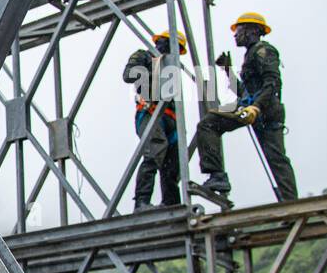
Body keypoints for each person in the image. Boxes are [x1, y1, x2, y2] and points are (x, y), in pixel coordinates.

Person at [196, 12, 298, 201]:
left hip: (265, 110)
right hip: (257, 109)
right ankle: (290, 202)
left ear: (252, 30)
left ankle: (290, 203)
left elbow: (273, 82)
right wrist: (228, 71)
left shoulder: (263, 50)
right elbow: (245, 93)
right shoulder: (251, 54)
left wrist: (256, 107)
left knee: (208, 125)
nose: (235, 35)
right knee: (275, 158)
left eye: (239, 30)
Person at [122, 30, 184, 210]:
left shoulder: (172, 67)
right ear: (161, 42)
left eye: (179, 50)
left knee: (172, 164)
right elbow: (128, 75)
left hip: (170, 118)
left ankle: (171, 203)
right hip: (150, 111)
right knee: (154, 152)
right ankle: (141, 202)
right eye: (175, 47)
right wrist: (151, 70)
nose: (176, 53)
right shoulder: (143, 55)